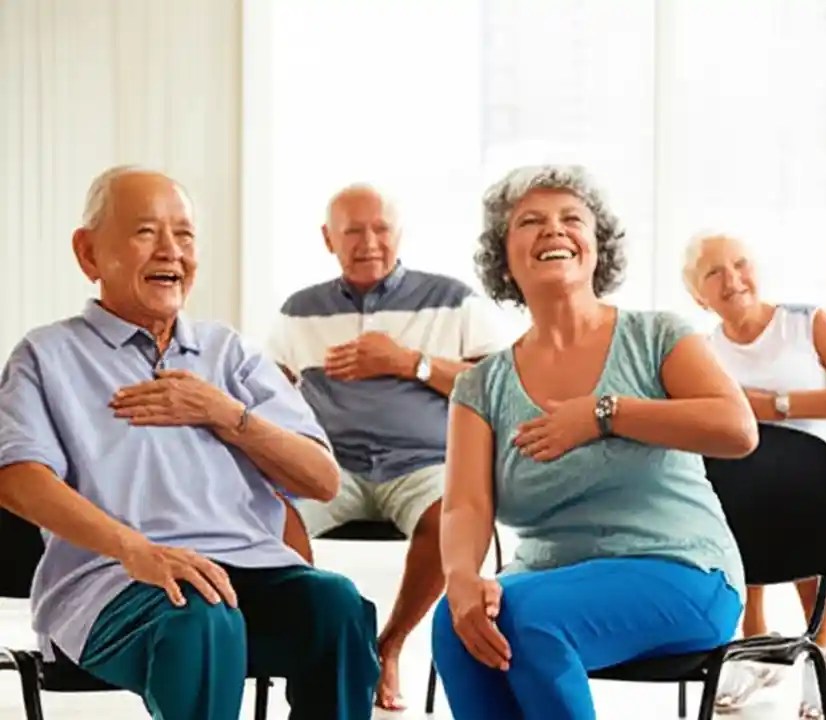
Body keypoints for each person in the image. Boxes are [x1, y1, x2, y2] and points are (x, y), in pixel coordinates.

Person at [0, 166, 379, 719]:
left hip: (249, 574)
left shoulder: (230, 354)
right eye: (146, 232)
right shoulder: (47, 356)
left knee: (337, 607)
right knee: (202, 616)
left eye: (184, 235)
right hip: (113, 584)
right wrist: (136, 549)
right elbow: (17, 481)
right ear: (88, 253)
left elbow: (320, 479)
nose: (171, 252)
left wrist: (224, 413)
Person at [430, 165, 754, 718]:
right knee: (455, 621)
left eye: (571, 219)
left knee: (533, 618)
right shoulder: (480, 386)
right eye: (530, 222)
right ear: (503, 257)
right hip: (547, 578)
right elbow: (466, 503)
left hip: (683, 572)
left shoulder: (657, 337)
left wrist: (607, 414)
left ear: (597, 247)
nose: (553, 230)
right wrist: (461, 577)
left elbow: (737, 430)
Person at [266, 183, 510, 710]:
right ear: (328, 238)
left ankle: (390, 644)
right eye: (353, 230)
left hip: (423, 463)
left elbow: (499, 388)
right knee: (268, 513)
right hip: (333, 466)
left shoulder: (452, 298)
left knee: (452, 515)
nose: (369, 242)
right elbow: (269, 390)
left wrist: (410, 363)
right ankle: (323, 646)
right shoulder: (298, 311)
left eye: (380, 228)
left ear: (399, 233)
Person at [683, 230, 826, 717]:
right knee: (729, 497)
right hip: (745, 493)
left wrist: (773, 406)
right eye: (714, 273)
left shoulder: (804, 322)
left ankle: (819, 651)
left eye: (740, 263)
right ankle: (754, 644)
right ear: (697, 295)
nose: (731, 279)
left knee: (799, 519)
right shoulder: (702, 349)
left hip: (819, 486)